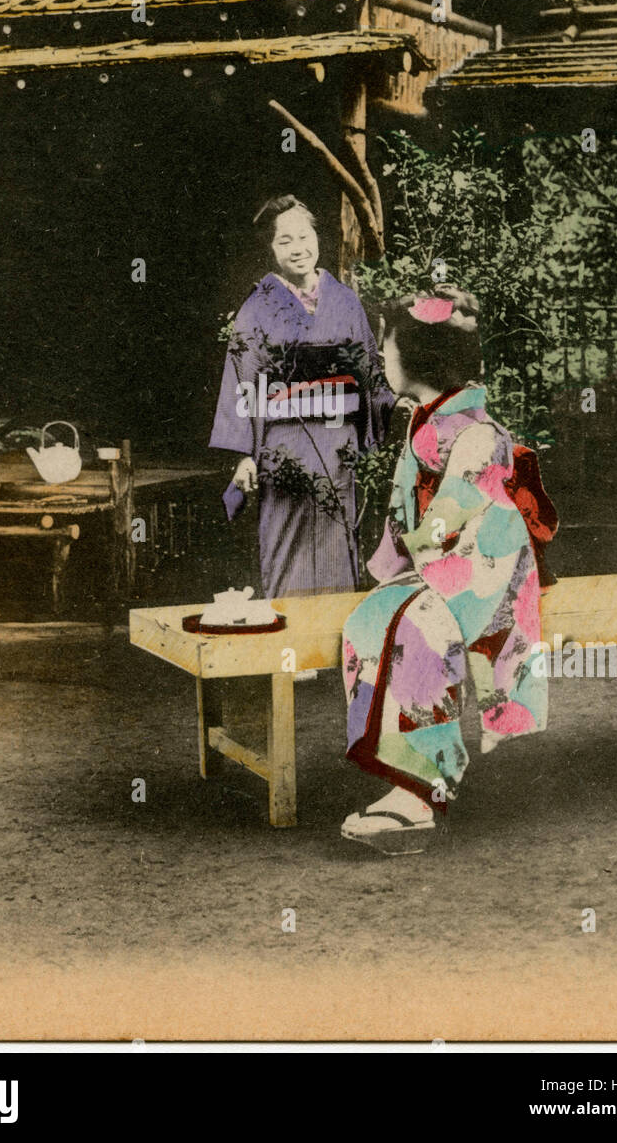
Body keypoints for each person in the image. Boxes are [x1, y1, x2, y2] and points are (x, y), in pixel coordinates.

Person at [341, 287, 556, 846]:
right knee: (368, 620)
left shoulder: (478, 433)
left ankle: (420, 793)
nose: (383, 358)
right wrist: (404, 564)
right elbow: (415, 523)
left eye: (387, 347)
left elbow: (450, 517)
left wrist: (420, 554)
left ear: (417, 358)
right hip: (451, 564)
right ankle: (403, 778)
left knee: (417, 629)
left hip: (489, 570)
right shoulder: (430, 424)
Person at [210, 195, 394, 597]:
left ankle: (334, 651)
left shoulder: (345, 300)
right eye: (285, 241)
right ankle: (290, 653)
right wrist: (243, 454)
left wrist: (395, 405)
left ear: (317, 237)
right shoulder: (257, 308)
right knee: (285, 545)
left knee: (337, 543)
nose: (298, 248)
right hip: (283, 446)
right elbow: (241, 379)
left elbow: (369, 374)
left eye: (305, 236)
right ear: (270, 250)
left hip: (336, 442)